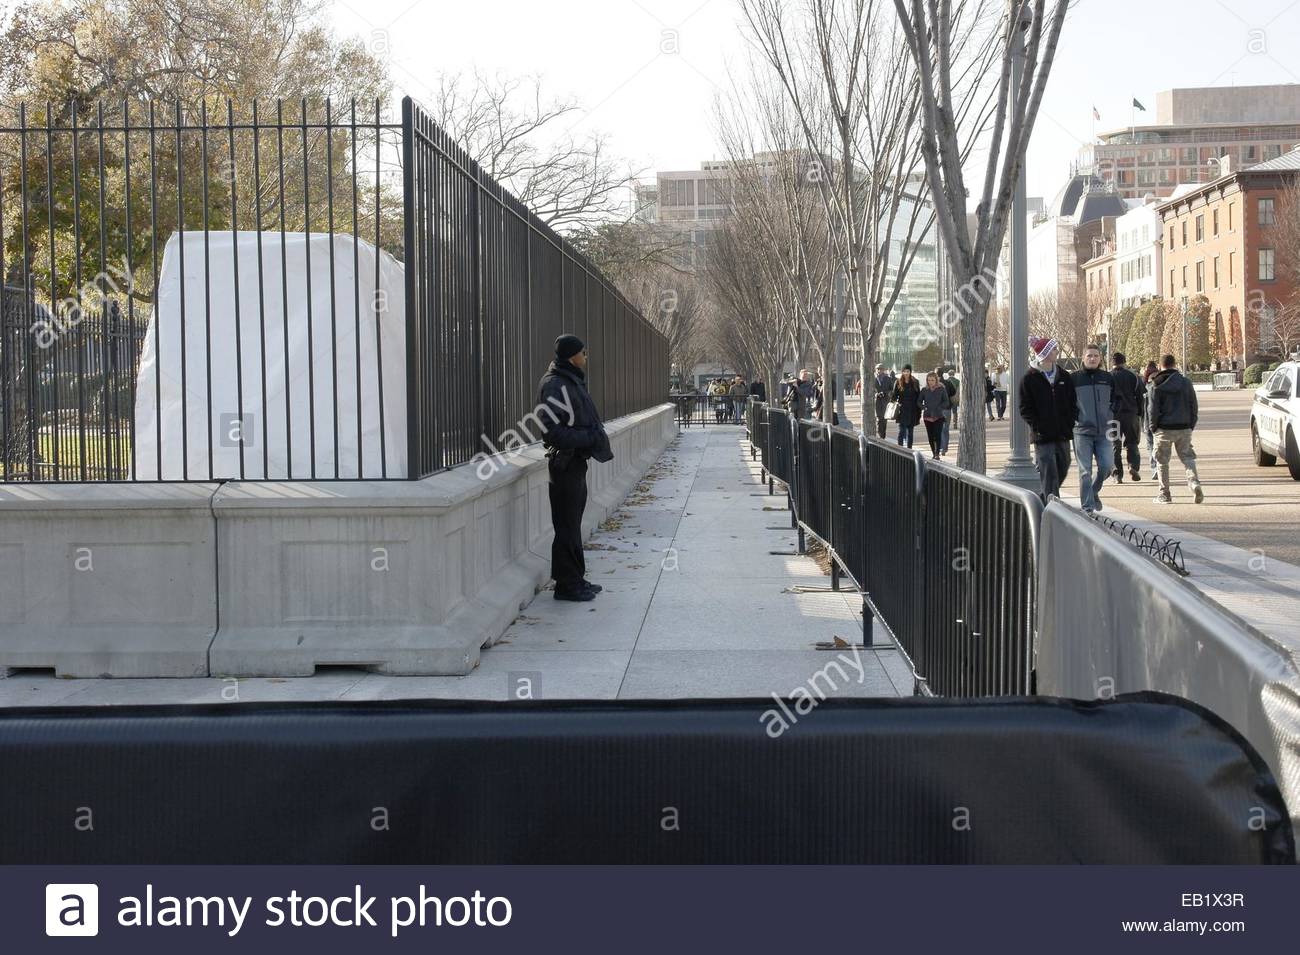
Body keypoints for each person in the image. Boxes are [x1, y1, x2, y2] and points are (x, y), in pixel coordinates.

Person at [537, 334, 613, 602]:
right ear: (572, 356)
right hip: (564, 464)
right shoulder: (555, 384)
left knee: (573, 524)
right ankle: (567, 585)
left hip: (575, 462)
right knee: (566, 526)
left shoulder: (570, 380)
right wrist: (589, 437)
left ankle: (575, 579)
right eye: (583, 352)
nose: (586, 357)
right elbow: (551, 432)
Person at [1017, 336, 1077, 504]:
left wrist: (1070, 421)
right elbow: (1025, 408)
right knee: (1048, 469)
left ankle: (1043, 498)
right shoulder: (1029, 379)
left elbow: (1073, 401)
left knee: (1063, 465)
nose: (1057, 351)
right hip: (1042, 435)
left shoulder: (1064, 376)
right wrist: (1037, 426)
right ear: (1044, 354)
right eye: (1054, 349)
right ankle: (1052, 506)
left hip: (1063, 432)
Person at [1148, 354, 1204, 505]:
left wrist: (1153, 427)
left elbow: (1153, 409)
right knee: (1188, 458)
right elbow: (1194, 405)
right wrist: (1191, 423)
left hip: (1164, 428)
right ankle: (1194, 483)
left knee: (1162, 462)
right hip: (1184, 426)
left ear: (1161, 366)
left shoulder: (1156, 384)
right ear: (1174, 364)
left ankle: (1165, 493)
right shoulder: (1186, 383)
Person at [1070, 344, 1117, 513]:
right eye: (1089, 355)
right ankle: (1087, 508)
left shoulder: (1108, 377)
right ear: (1083, 358)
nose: (1092, 358)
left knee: (1106, 466)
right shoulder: (1074, 379)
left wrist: (1111, 413)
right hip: (1082, 431)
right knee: (1085, 472)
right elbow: (1067, 403)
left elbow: (1116, 399)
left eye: (1096, 356)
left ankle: (1094, 490)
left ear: (1100, 358)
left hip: (1103, 431)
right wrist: (1075, 418)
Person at [1109, 351, 1143, 483]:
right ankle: (1133, 466)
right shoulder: (1133, 376)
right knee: (1132, 442)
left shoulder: (1107, 377)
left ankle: (1117, 474)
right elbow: (1140, 396)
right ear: (1124, 362)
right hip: (1130, 413)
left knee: (1114, 445)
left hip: (1112, 416)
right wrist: (1140, 413)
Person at [921, 371, 952, 459]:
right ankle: (933, 453)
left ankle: (937, 453)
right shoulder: (924, 390)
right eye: (929, 380)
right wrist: (923, 407)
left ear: (936, 380)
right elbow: (919, 401)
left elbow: (946, 401)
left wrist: (940, 407)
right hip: (927, 416)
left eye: (932, 380)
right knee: (930, 436)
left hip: (939, 416)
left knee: (937, 435)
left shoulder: (941, 389)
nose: (930, 382)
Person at [892, 365, 922, 448]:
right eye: (904, 371)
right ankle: (900, 449)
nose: (906, 373)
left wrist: (919, 409)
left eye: (907, 371)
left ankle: (909, 449)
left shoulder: (915, 382)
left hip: (913, 409)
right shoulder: (898, 382)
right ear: (902, 372)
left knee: (910, 432)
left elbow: (918, 396)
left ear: (910, 372)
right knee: (901, 431)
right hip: (902, 410)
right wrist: (895, 404)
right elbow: (894, 396)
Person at [1142, 360, 1159, 475]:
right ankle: (1156, 467)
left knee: (1151, 445)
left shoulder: (1144, 389)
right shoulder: (1160, 388)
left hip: (1147, 422)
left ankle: (1155, 467)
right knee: (1155, 445)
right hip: (1157, 422)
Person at [938, 369, 959, 456]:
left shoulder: (933, 384)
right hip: (947, 408)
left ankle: (939, 447)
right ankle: (944, 448)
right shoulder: (948, 383)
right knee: (945, 429)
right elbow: (953, 393)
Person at [872, 363, 895, 439]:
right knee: (879, 419)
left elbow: (892, 390)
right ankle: (879, 435)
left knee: (884, 419)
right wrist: (876, 394)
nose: (879, 371)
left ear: (883, 370)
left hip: (885, 401)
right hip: (876, 402)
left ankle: (883, 436)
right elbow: (870, 390)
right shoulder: (873, 379)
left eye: (881, 369)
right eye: (878, 369)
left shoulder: (888, 379)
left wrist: (886, 393)